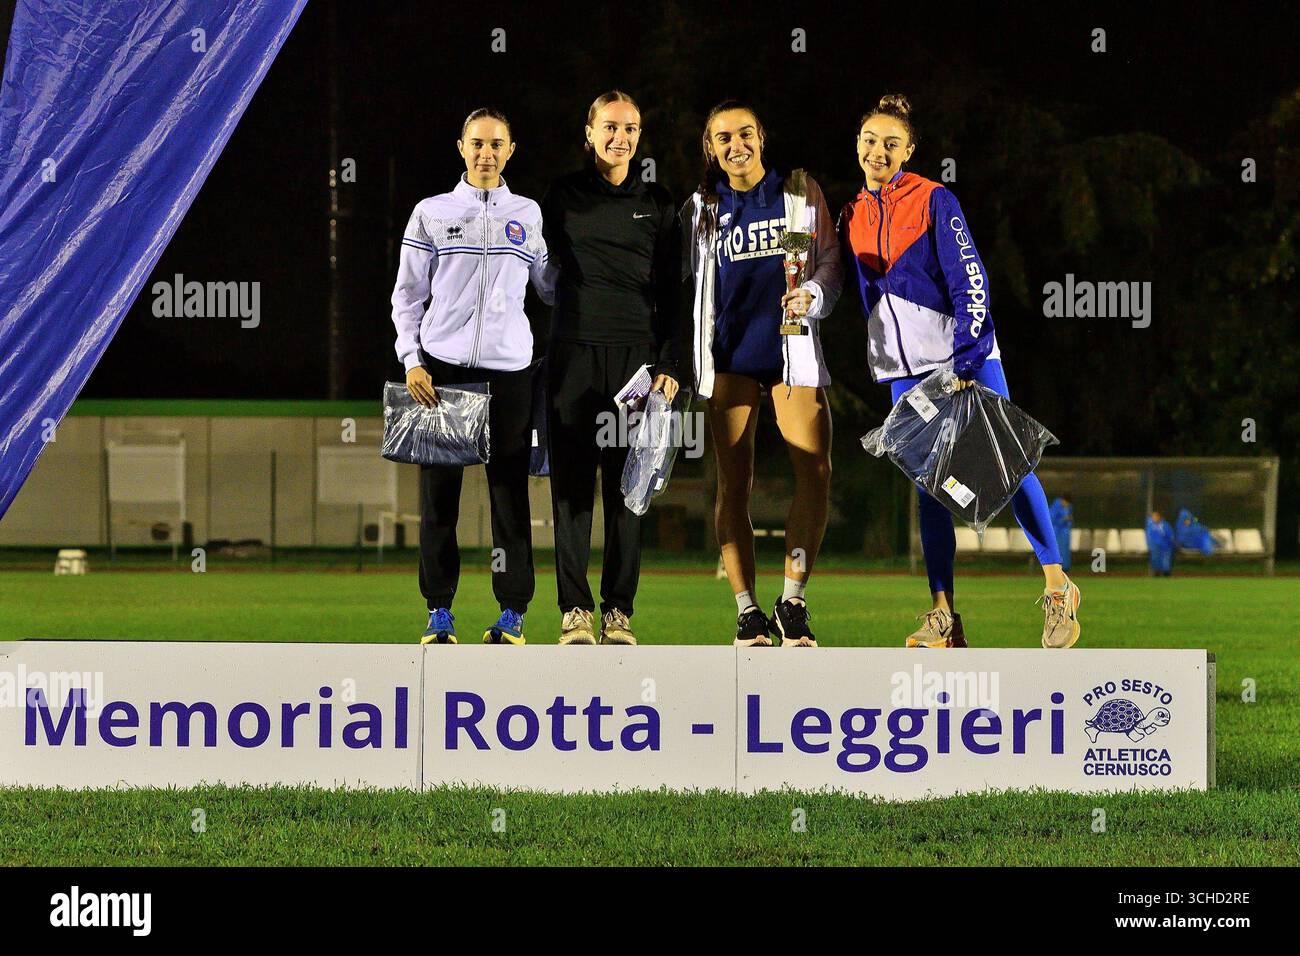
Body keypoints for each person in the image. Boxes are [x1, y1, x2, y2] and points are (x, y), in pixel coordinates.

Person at [840, 93, 1081, 649]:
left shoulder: (933, 198)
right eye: (870, 141)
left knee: (1008, 465)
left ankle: (1057, 586)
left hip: (962, 358)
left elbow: (969, 275)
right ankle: (943, 616)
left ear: (909, 150)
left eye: (891, 144)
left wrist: (970, 355)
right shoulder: (852, 212)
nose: (879, 151)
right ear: (858, 144)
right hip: (906, 371)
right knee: (930, 490)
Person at [682, 100, 842, 647]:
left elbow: (827, 262)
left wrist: (813, 294)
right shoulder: (702, 207)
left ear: (762, 137)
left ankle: (792, 601)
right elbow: (685, 287)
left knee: (815, 472)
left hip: (790, 351)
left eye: (745, 133)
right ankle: (748, 611)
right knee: (735, 487)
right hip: (729, 359)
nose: (736, 145)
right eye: (723, 137)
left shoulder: (796, 191)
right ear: (711, 147)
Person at [390, 108, 553, 646]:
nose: (487, 153)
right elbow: (408, 296)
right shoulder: (431, 213)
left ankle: (513, 614)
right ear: (461, 147)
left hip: (510, 370)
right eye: (477, 143)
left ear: (511, 150)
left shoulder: (527, 214)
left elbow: (550, 287)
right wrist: (413, 359)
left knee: (510, 494)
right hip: (443, 370)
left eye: (497, 144)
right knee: (441, 497)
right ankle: (439, 612)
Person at [542, 90, 682, 646]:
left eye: (629, 128)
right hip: (573, 355)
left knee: (630, 490)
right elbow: (534, 274)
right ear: (589, 131)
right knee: (572, 490)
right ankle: (574, 611)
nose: (619, 137)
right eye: (609, 127)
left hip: (636, 365)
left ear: (638, 136)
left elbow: (674, 290)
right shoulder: (562, 196)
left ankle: (618, 612)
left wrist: (671, 362)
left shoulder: (660, 202)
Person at [1050, 496, 1074, 573]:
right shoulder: (1056, 506)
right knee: (1056, 550)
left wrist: (1069, 521)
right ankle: (1055, 568)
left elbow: (1070, 519)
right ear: (1063, 500)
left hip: (1065, 532)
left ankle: (1065, 567)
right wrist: (1063, 520)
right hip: (1056, 532)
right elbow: (1051, 519)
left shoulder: (1069, 507)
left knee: (1065, 551)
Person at [1146, 510, 1174, 575]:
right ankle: (1157, 573)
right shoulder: (1150, 526)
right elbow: (1149, 537)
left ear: (1159, 517)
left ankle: (1166, 573)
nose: (1155, 518)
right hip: (1155, 547)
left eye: (1156, 517)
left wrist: (1168, 543)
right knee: (1155, 558)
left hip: (1166, 546)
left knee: (1166, 559)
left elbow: (1170, 535)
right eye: (1153, 517)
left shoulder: (1165, 525)